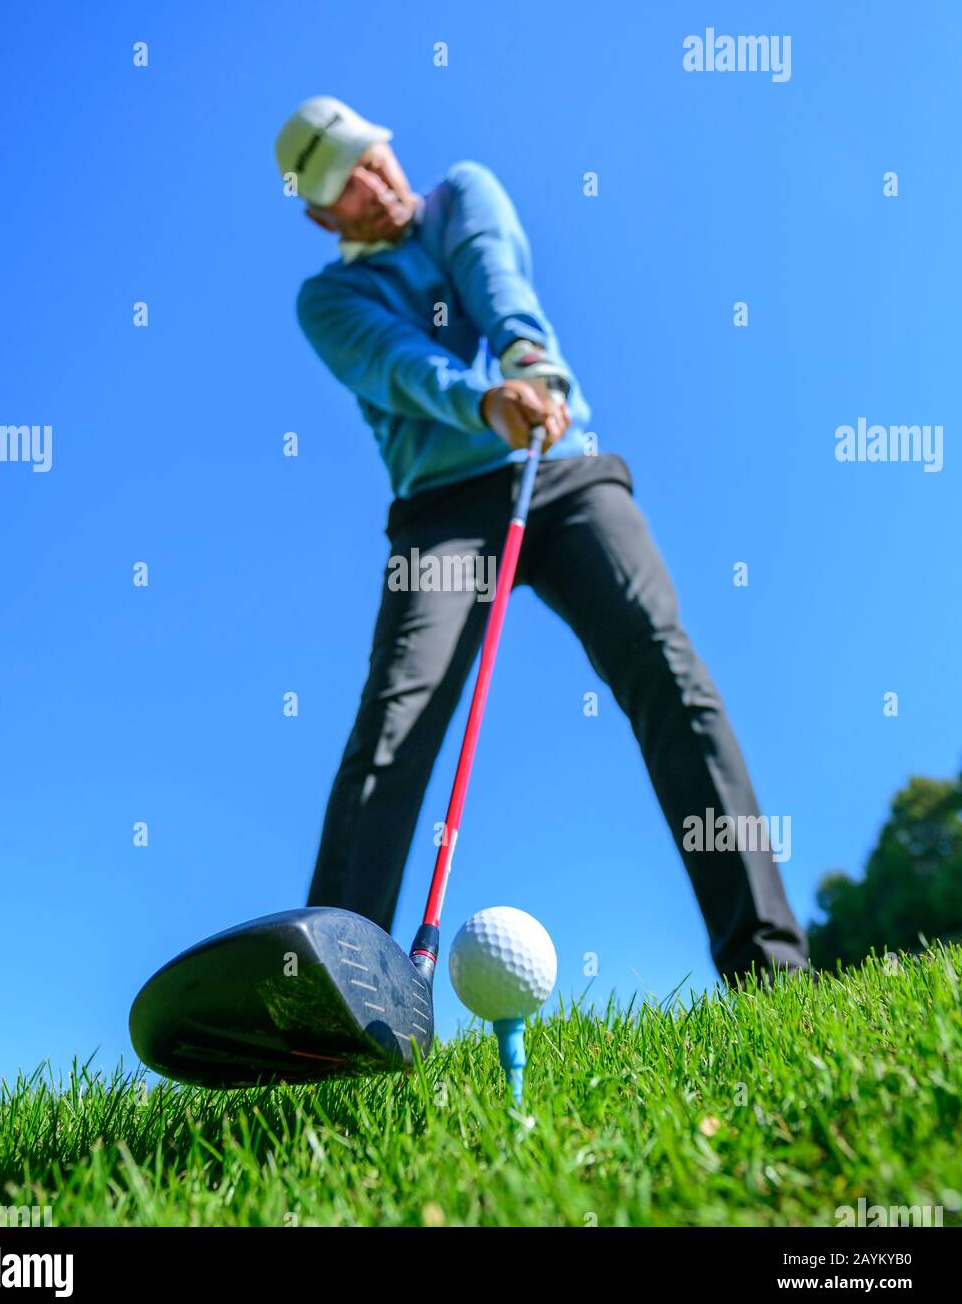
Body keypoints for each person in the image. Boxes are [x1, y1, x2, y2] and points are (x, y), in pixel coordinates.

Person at [274, 95, 810, 985]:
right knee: (397, 717)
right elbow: (398, 366)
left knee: (665, 670)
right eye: (347, 184)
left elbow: (496, 280)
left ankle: (770, 963)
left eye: (373, 158)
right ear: (319, 213)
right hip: (441, 509)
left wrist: (524, 360)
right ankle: (336, 993)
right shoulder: (327, 298)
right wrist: (482, 402)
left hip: (560, 468)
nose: (374, 184)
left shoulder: (460, 195)